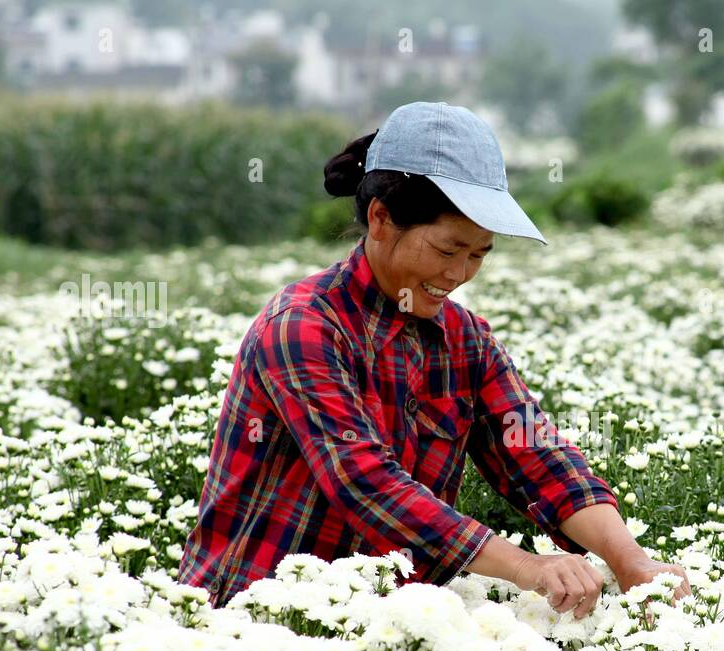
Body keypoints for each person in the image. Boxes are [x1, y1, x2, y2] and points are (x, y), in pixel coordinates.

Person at [177, 101, 690, 617]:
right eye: (448, 250)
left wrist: (631, 563)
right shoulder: (303, 328)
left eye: (479, 254)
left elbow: (538, 457)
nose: (460, 273)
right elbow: (366, 482)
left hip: (390, 627)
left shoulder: (465, 342)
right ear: (380, 218)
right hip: (254, 621)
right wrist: (525, 567)